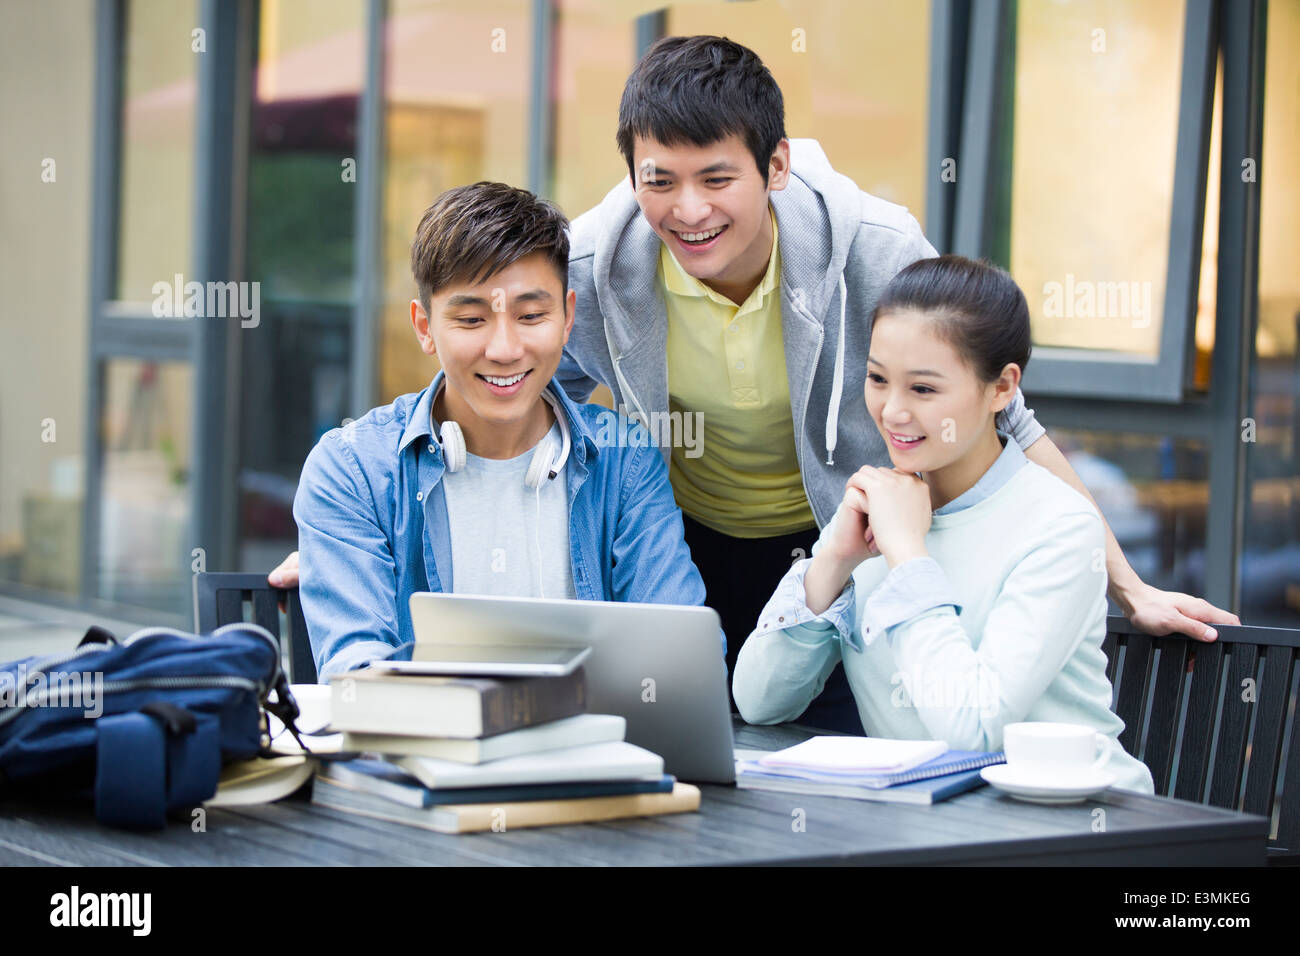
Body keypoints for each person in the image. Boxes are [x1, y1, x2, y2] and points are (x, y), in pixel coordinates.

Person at [273, 35, 1237, 725]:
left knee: (851, 743)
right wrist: (359, 516)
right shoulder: (596, 269)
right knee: (725, 726)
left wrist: (1126, 583)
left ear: (773, 166)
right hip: (687, 540)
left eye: (716, 178)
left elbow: (1010, 419)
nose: (687, 210)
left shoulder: (874, 250)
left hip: (843, 537)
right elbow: (492, 370)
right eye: (660, 180)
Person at [732, 255, 1154, 793]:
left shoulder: (1061, 526)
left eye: (924, 390)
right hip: (927, 828)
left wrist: (908, 555)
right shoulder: (877, 505)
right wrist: (832, 562)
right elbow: (759, 703)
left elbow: (973, 729)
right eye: (878, 379)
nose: (892, 411)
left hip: (1075, 828)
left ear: (1002, 388)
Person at [291, 182, 713, 680]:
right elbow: (357, 675)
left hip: (590, 752)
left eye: (531, 315)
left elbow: (682, 660)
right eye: (471, 320)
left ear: (567, 318)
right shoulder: (351, 471)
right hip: (427, 751)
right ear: (425, 327)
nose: (505, 348)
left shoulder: (625, 460)